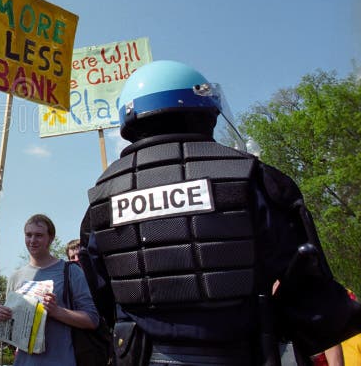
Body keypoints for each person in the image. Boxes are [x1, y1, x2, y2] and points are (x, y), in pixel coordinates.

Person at [79, 59, 361, 365]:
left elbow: (101, 291)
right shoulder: (253, 177)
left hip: (143, 355)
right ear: (203, 111)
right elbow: (304, 278)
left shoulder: (101, 197)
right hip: (240, 352)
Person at [0, 214, 98, 366]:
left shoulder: (71, 272)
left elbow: (92, 319)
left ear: (51, 238)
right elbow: (12, 330)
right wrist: (1, 315)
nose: (32, 240)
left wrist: (57, 311)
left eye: (39, 235)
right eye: (28, 235)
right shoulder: (15, 277)